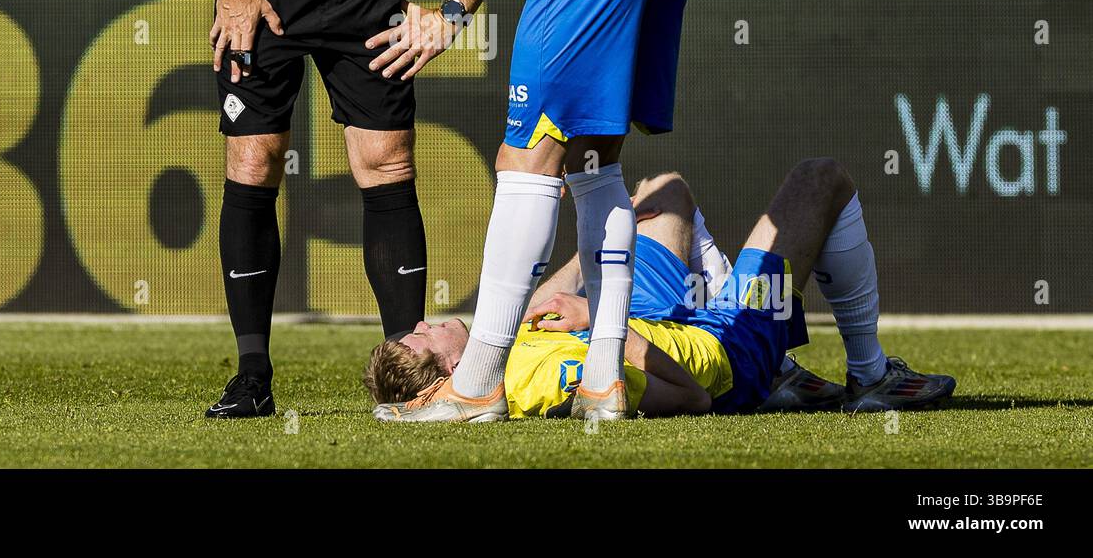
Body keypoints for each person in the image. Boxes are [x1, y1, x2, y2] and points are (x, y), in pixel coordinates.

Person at [136, 0, 696, 422]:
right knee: (592, 168)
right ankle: (602, 382)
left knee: (519, 166)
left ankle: (473, 382)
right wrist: (455, 9)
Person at [182, 0, 473, 418]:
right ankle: (251, 375)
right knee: (253, 162)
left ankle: (411, 366)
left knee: (386, 164)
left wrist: (453, 13)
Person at [367, 159, 956, 418]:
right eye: (421, 337)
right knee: (820, 179)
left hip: (644, 317)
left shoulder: (497, 358)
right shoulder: (539, 381)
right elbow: (690, 397)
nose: (422, 322)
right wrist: (600, 325)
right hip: (722, 349)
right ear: (445, 373)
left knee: (661, 192)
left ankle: (780, 361)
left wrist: (591, 250)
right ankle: (871, 376)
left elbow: (544, 303)